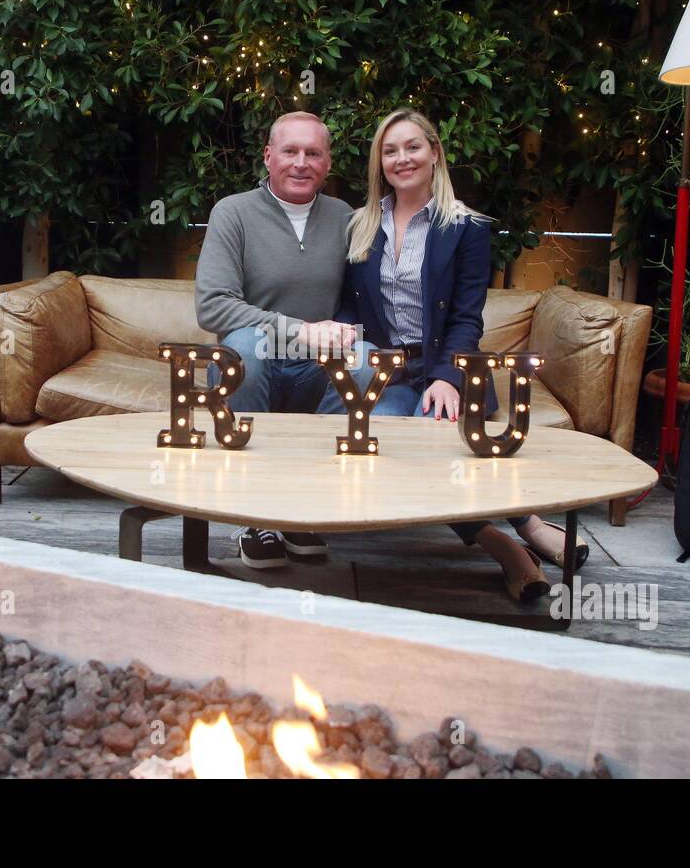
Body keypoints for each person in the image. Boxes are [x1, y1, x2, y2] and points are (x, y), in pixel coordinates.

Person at [320, 108, 586, 603]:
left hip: (445, 364)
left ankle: (524, 526)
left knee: (448, 432)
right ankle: (506, 540)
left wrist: (447, 377)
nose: (402, 158)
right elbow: (349, 306)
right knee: (396, 449)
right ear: (380, 162)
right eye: (390, 150)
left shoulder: (466, 227)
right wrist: (342, 337)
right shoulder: (359, 226)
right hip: (387, 372)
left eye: (413, 147)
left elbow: (467, 317)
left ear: (434, 152)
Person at [195, 111, 356, 570]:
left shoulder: (344, 217)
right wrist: (299, 329)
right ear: (268, 157)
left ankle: (303, 506)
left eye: (313, 153)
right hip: (251, 366)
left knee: (363, 360)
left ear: (327, 163)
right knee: (244, 348)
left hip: (313, 370)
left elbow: (361, 298)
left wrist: (338, 332)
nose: (301, 163)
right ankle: (253, 513)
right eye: (290, 151)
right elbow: (213, 306)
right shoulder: (233, 213)